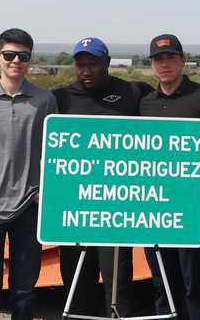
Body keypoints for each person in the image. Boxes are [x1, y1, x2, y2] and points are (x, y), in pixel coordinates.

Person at [0, 28, 57, 320]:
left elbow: (52, 153)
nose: (16, 61)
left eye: (23, 56)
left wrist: (44, 192)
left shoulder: (44, 100)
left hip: (30, 207)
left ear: (30, 59)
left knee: (25, 290)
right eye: (9, 55)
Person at [140, 33, 200, 320]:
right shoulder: (146, 104)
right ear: (152, 64)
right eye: (158, 59)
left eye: (170, 58)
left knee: (195, 284)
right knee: (162, 282)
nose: (164, 64)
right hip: (154, 205)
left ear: (182, 61)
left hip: (193, 205)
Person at [52, 37, 144, 317]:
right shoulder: (60, 98)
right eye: (81, 65)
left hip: (116, 206)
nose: (86, 71)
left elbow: (167, 116)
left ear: (106, 62)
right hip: (74, 205)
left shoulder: (133, 92)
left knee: (117, 284)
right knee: (77, 281)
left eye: (93, 64)